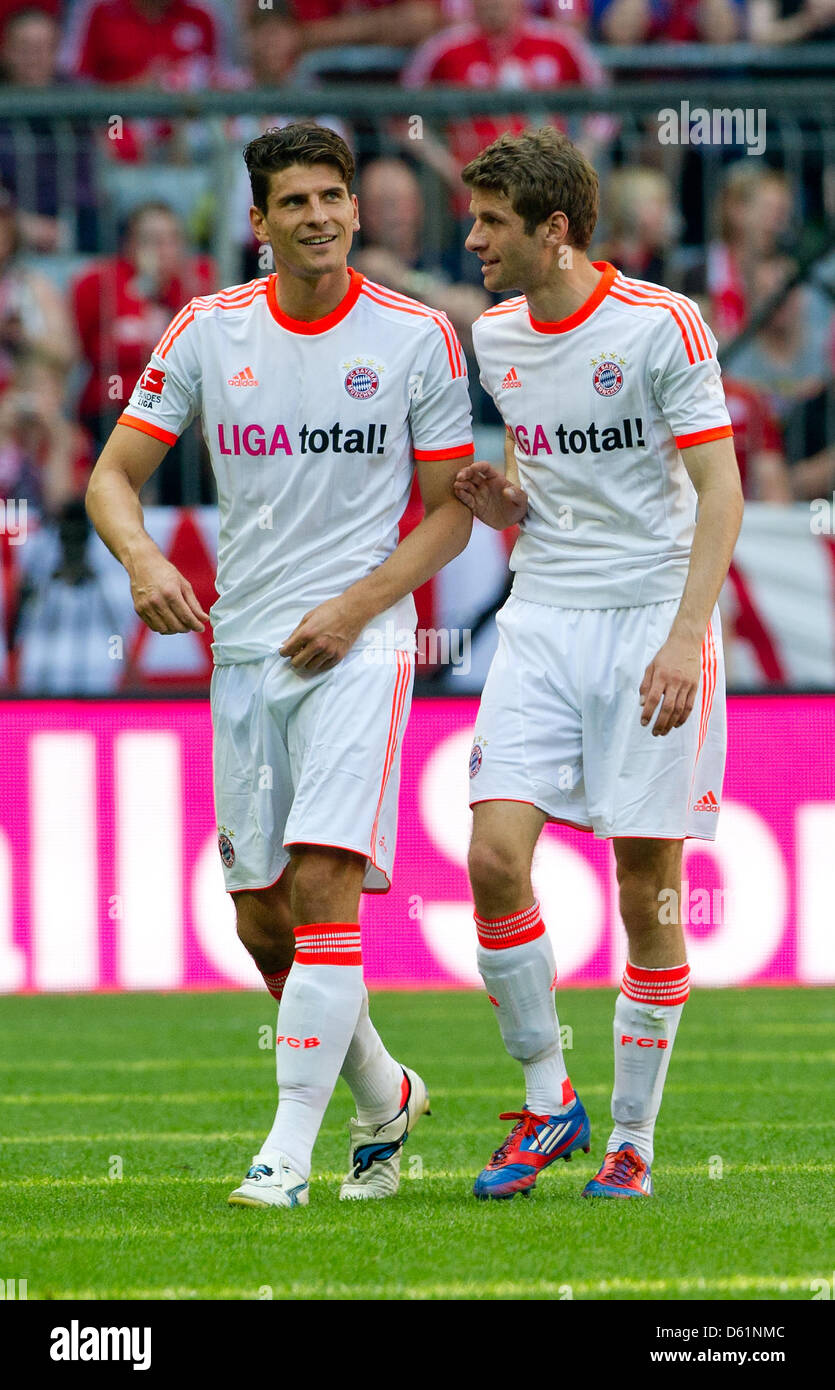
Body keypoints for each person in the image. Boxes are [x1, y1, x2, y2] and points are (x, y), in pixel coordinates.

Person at [85, 123, 474, 1209]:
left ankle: (288, 1155)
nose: (317, 216)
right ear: (257, 221)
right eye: (293, 201)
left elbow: (449, 515)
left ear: (353, 207)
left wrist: (356, 610)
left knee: (322, 882)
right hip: (246, 646)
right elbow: (112, 478)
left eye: (331, 196)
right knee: (263, 923)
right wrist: (144, 558)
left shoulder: (417, 337)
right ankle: (386, 1090)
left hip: (363, 641)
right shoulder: (209, 330)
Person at [453, 128, 743, 1199]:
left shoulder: (662, 324)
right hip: (542, 615)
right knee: (493, 857)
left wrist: (684, 636)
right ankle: (547, 1102)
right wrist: (506, 503)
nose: (473, 239)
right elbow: (540, 473)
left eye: (491, 222)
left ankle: (633, 1139)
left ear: (556, 231)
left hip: (650, 617)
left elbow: (720, 491)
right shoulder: (494, 335)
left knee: (646, 887)